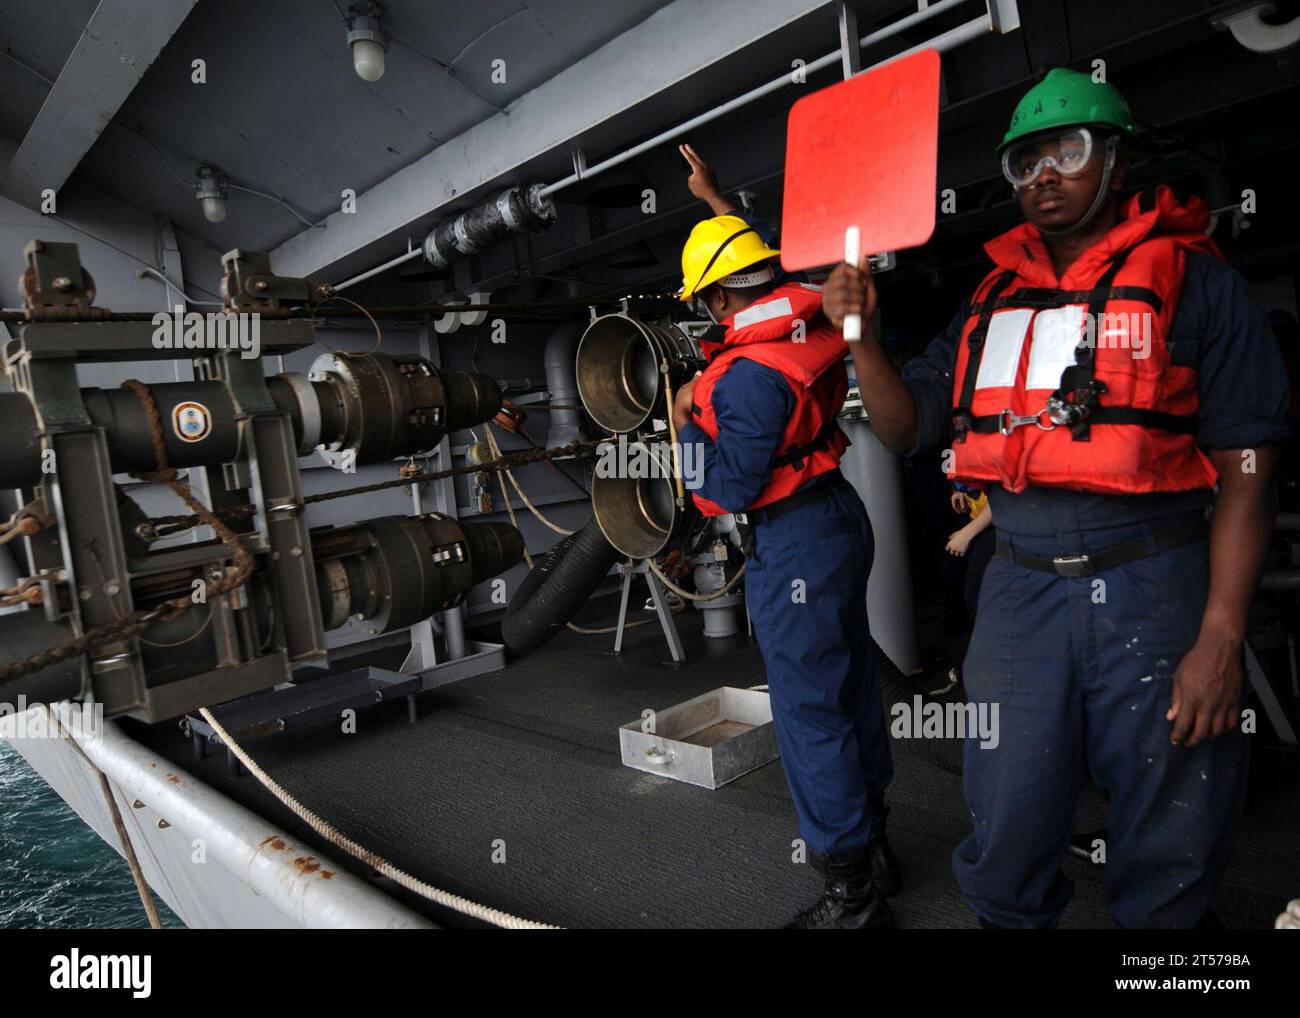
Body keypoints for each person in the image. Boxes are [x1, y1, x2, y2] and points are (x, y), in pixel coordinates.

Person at [822, 68, 1289, 928]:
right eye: (1026, 159)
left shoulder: (1198, 285)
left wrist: (1221, 636)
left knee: (1171, 841)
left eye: (1068, 152)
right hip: (1018, 589)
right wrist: (858, 337)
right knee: (1006, 818)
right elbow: (902, 427)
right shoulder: (989, 301)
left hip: (1154, 584)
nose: (1045, 174)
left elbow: (1250, 469)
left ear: (1115, 159)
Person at [671, 186, 899, 929]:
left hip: (794, 539)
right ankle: (878, 849)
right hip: (839, 514)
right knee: (853, 687)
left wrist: (684, 424)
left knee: (810, 714)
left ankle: (850, 896)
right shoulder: (808, 318)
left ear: (716, 302)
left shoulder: (739, 377)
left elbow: (720, 491)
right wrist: (716, 202)